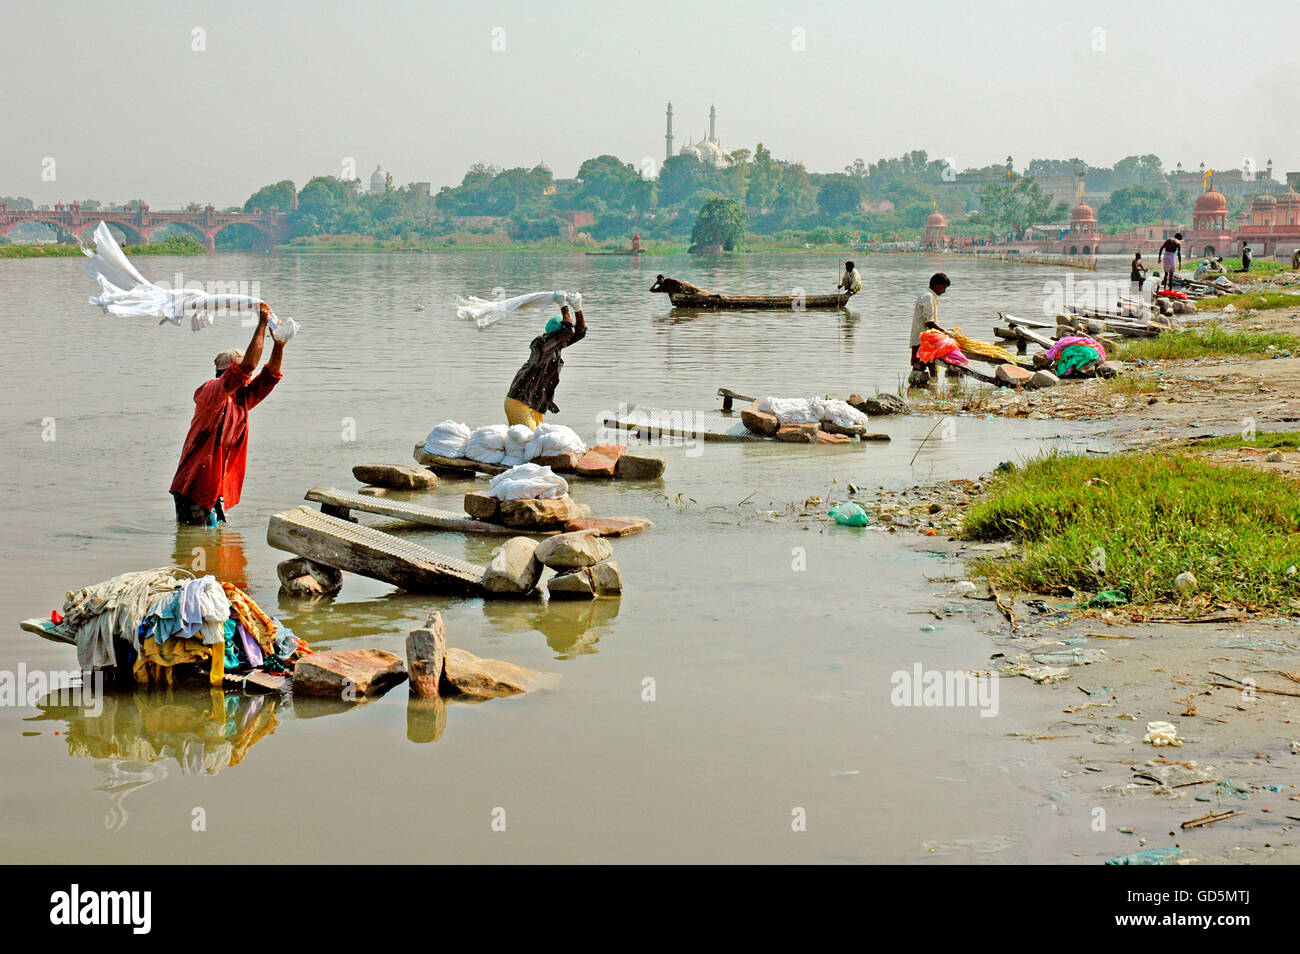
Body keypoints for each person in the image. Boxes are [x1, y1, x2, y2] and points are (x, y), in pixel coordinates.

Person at [170, 302, 287, 526]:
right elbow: (248, 367)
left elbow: (270, 376)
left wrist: (279, 344)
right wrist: (261, 324)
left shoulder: (240, 399)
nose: (249, 379)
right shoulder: (211, 392)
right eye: (244, 374)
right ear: (229, 373)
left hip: (213, 489)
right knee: (197, 543)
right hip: (194, 487)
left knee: (214, 544)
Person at [504, 294, 586, 428]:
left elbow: (579, 333)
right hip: (518, 402)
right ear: (557, 333)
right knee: (528, 443)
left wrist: (577, 307)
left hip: (533, 405)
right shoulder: (541, 345)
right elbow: (568, 330)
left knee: (534, 443)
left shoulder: (555, 346)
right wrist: (563, 306)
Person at [909, 272, 950, 387]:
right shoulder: (928, 296)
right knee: (919, 365)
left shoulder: (930, 295)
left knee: (932, 365)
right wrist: (944, 333)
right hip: (922, 338)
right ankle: (917, 388)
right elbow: (929, 322)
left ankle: (932, 386)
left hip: (927, 338)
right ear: (937, 286)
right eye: (943, 288)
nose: (944, 291)